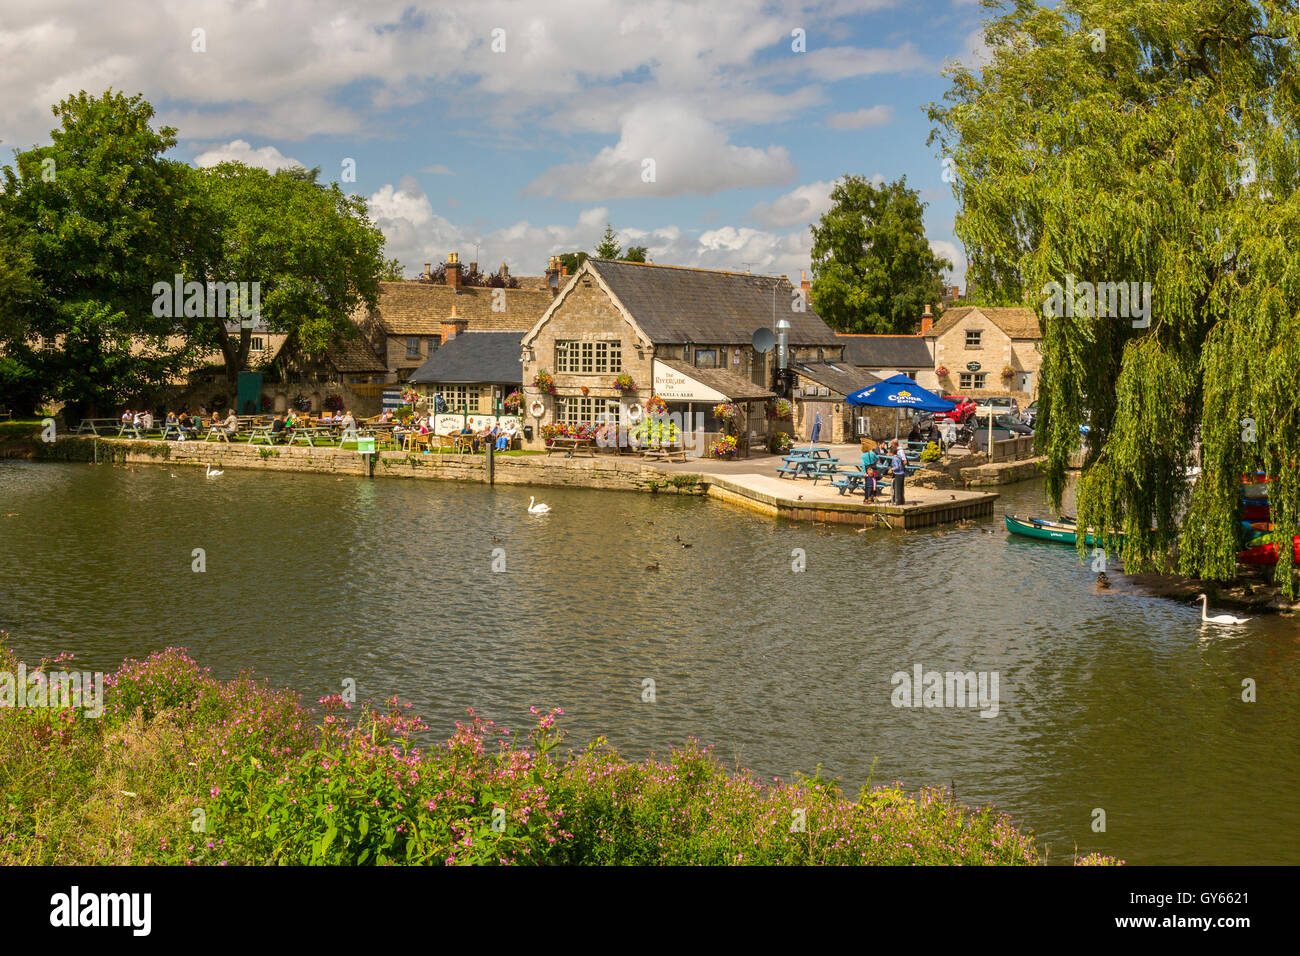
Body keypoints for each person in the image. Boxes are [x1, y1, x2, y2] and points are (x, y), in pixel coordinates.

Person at [889, 439, 907, 505]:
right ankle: (901, 501)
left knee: (897, 488)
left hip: (898, 473)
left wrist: (892, 469)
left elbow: (898, 466)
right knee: (900, 488)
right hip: (901, 473)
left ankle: (898, 502)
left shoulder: (896, 457)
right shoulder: (898, 456)